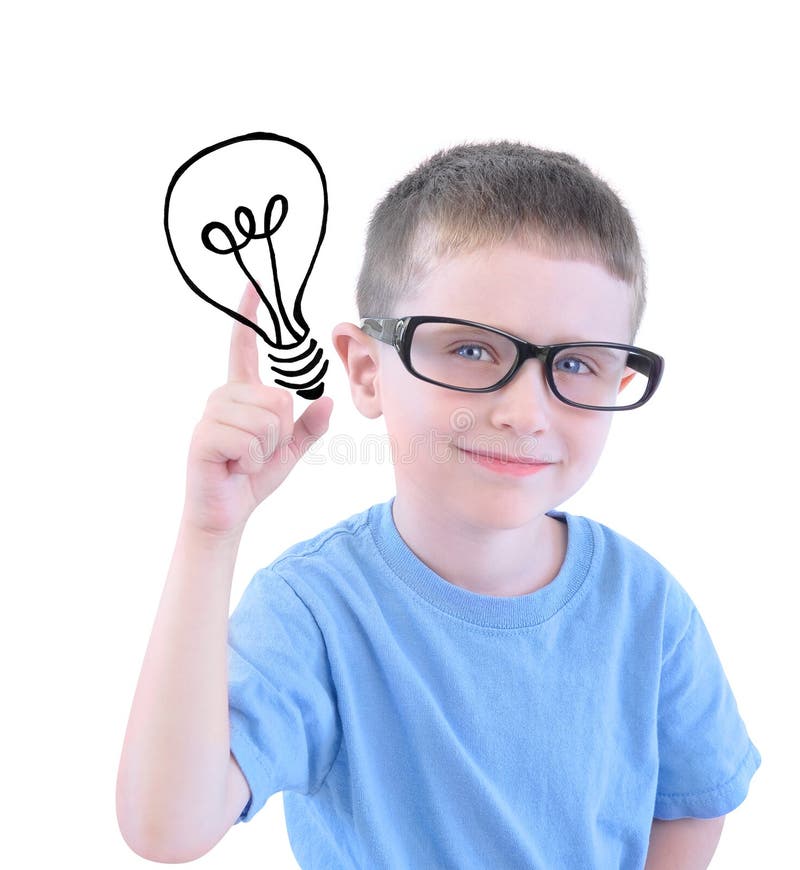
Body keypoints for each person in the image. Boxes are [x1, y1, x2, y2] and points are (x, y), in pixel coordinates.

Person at [116, 142, 760, 868]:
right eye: (471, 350)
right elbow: (167, 827)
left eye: (576, 363)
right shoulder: (315, 612)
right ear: (366, 370)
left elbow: (694, 798)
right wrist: (210, 535)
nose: (526, 412)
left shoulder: (647, 605)